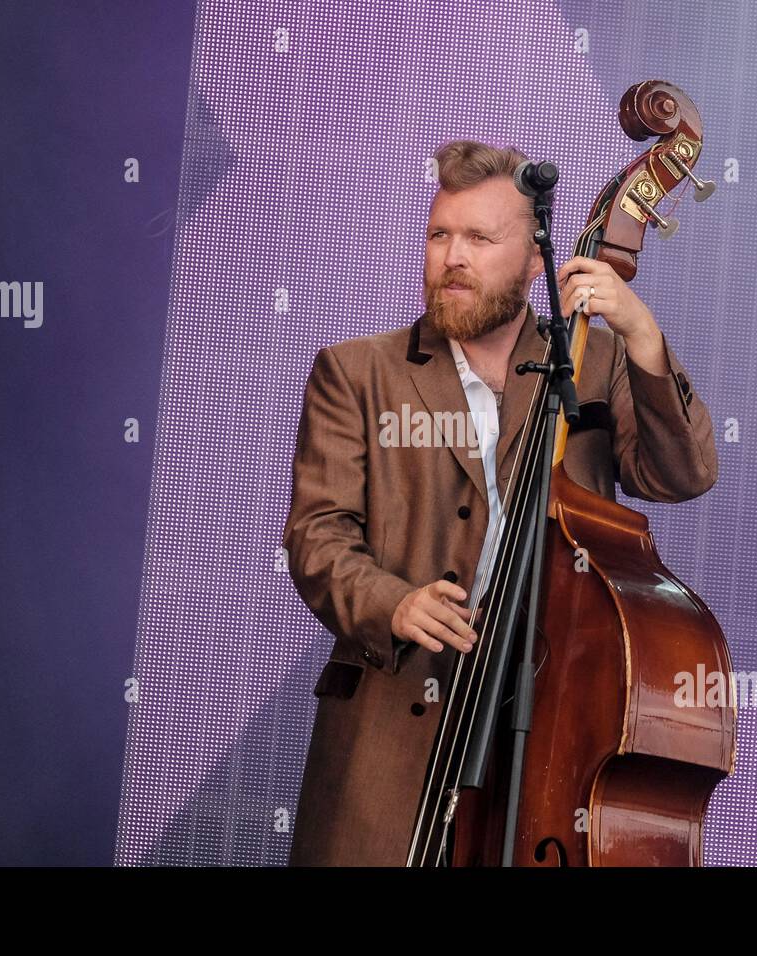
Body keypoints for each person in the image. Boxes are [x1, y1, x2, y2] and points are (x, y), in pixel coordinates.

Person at [282, 139, 719, 866]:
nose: (453, 257)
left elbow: (684, 473)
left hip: (544, 728)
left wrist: (642, 335)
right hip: (387, 742)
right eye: (439, 235)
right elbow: (317, 537)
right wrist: (394, 602)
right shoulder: (355, 373)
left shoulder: (596, 361)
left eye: (479, 239)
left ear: (533, 260)